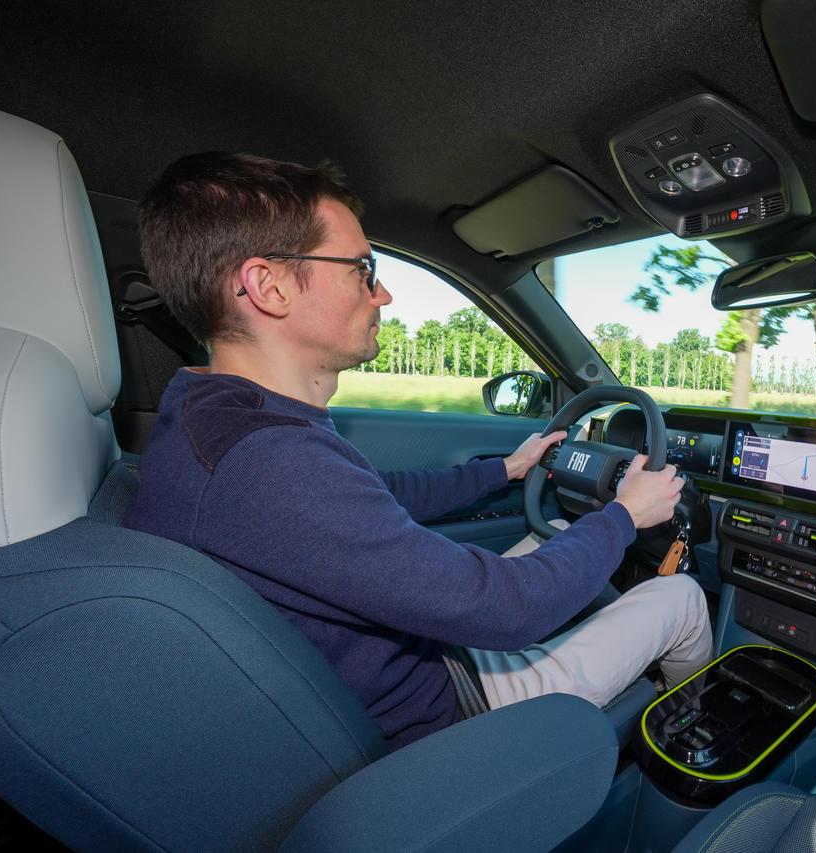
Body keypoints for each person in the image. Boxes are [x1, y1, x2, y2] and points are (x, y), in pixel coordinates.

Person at [124, 152, 712, 750]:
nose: (383, 294)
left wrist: (505, 469)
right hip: (448, 711)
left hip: (405, 663)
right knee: (683, 597)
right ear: (268, 286)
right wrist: (625, 514)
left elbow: (374, 498)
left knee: (559, 527)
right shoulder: (269, 465)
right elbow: (509, 611)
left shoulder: (216, 416)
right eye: (361, 268)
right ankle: (687, 741)